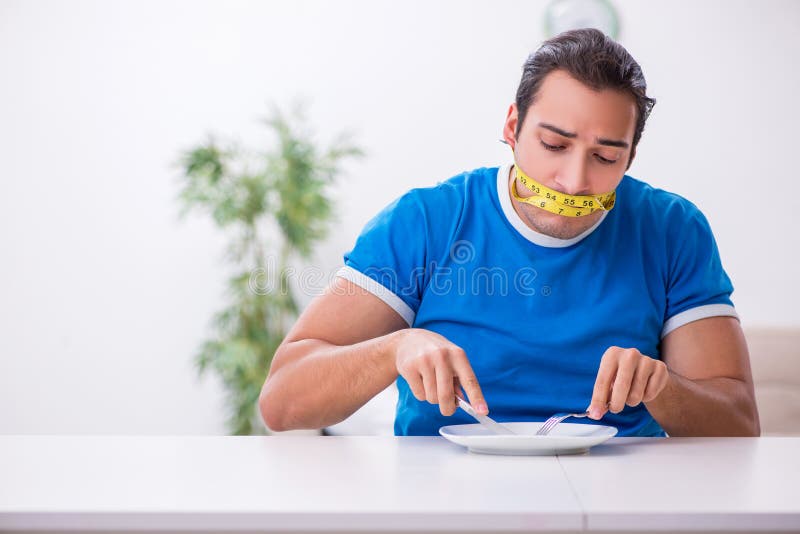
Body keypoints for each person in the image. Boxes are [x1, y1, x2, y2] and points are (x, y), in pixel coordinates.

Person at [259, 28, 760, 437]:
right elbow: (282, 403)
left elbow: (739, 425)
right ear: (512, 125)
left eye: (606, 157)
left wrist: (664, 387)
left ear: (630, 156)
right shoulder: (427, 222)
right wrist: (394, 349)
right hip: (445, 501)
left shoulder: (673, 230)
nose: (575, 180)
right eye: (553, 144)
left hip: (620, 501)